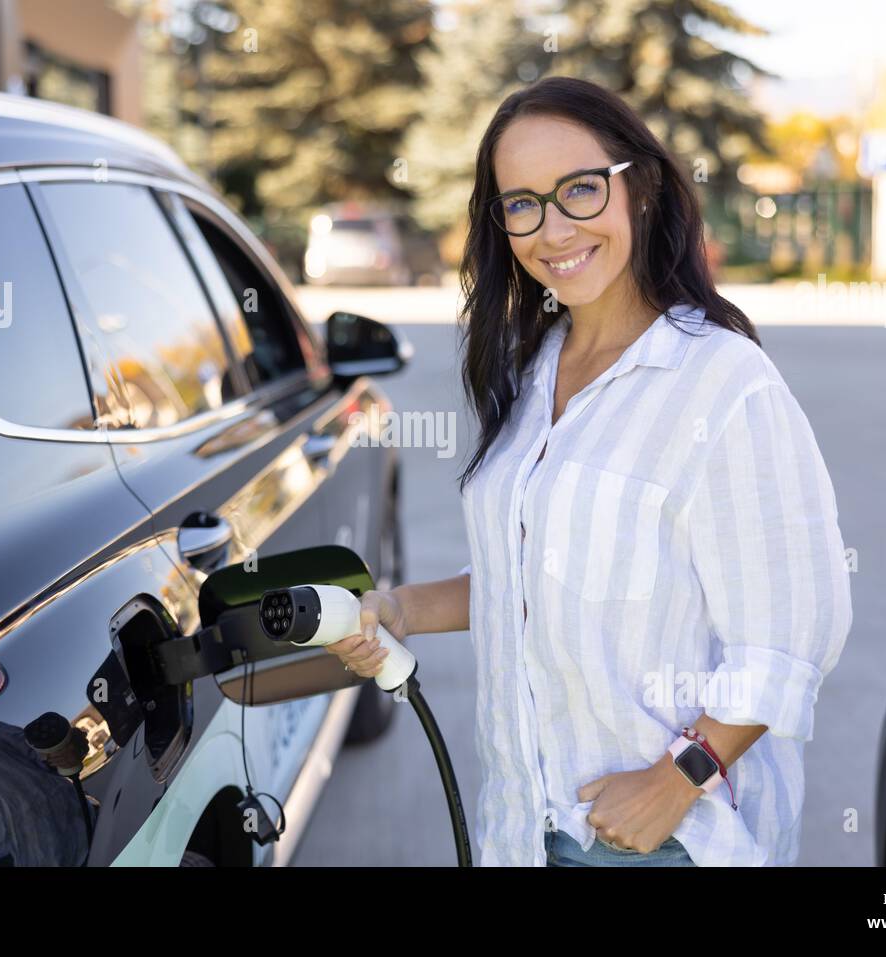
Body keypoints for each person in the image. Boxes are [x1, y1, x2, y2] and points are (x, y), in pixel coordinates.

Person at [323, 76, 853, 867]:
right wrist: (399, 607)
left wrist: (679, 778)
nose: (553, 228)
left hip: (663, 839)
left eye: (579, 189)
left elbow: (792, 631)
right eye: (522, 203)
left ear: (637, 187)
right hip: (523, 829)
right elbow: (536, 572)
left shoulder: (722, 382)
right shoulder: (533, 369)